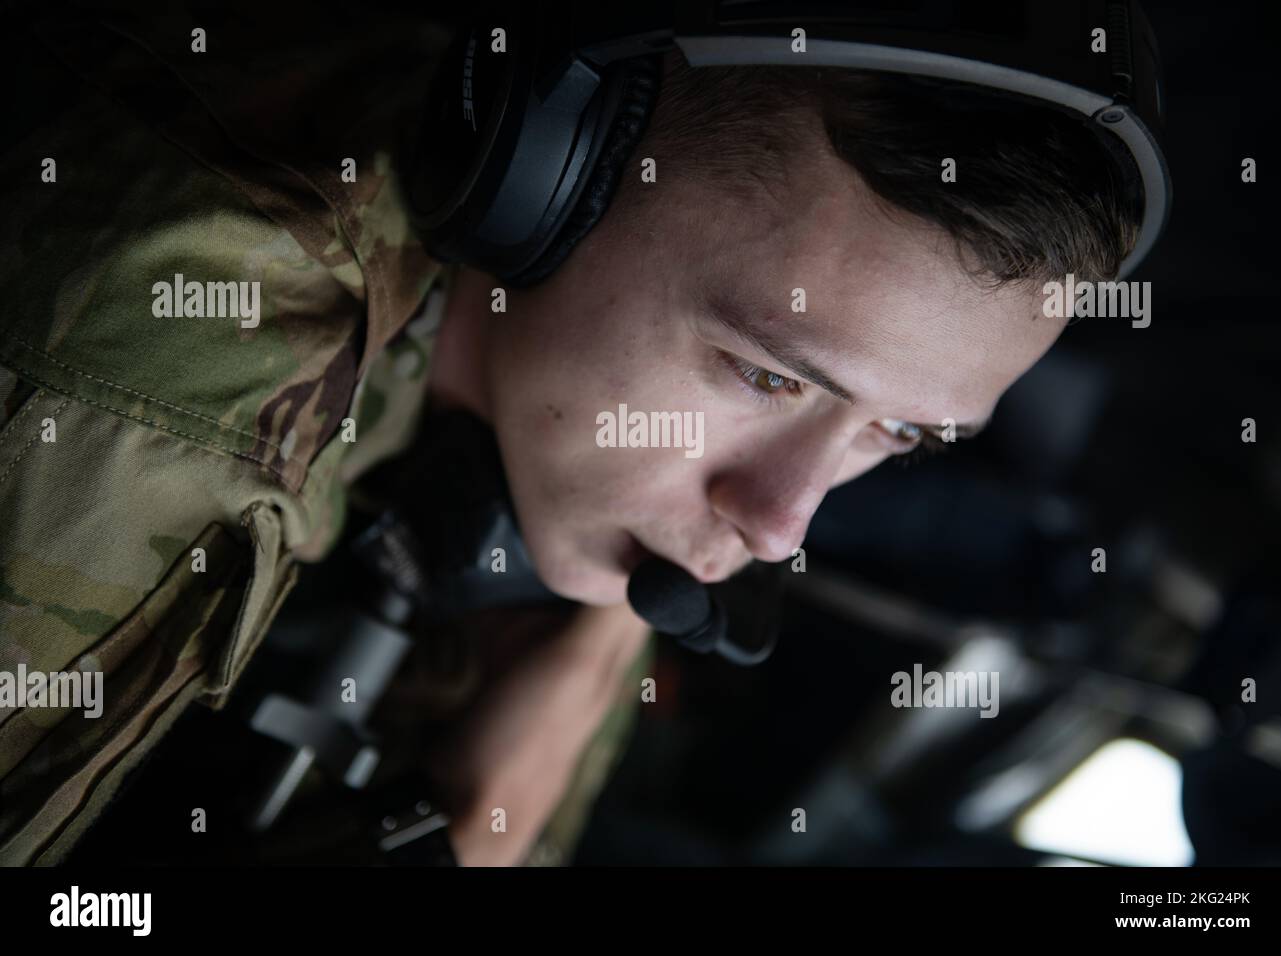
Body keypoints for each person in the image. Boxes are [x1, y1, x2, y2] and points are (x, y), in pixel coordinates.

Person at [0, 2, 1141, 865]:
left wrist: (595, 636)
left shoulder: (592, 455)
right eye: (760, 372)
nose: (783, 522)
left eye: (901, 430)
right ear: (542, 179)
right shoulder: (167, 344)